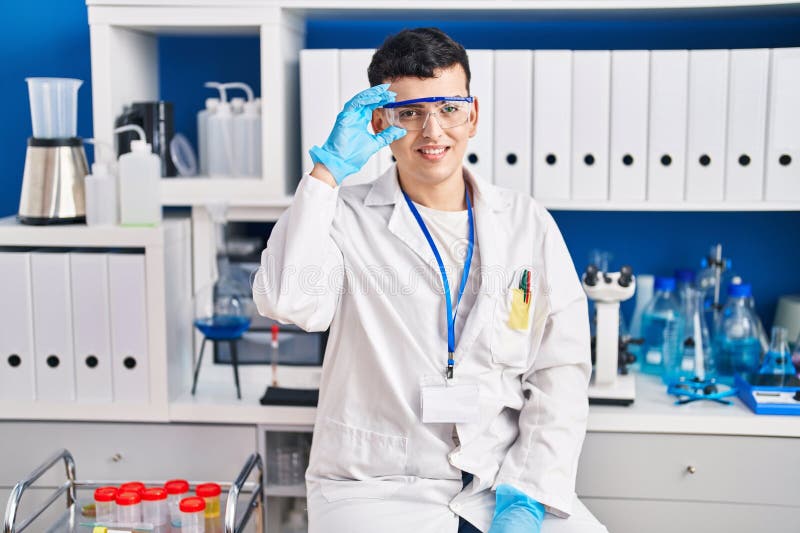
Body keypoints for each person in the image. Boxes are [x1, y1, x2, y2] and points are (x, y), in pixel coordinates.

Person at [253, 27, 607, 533]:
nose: (432, 131)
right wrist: (325, 174)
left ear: (473, 115)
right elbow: (291, 302)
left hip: (501, 480)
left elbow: (560, 368)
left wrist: (528, 490)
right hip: (378, 485)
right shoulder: (341, 216)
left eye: (448, 109)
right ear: (381, 121)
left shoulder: (528, 222)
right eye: (410, 113)